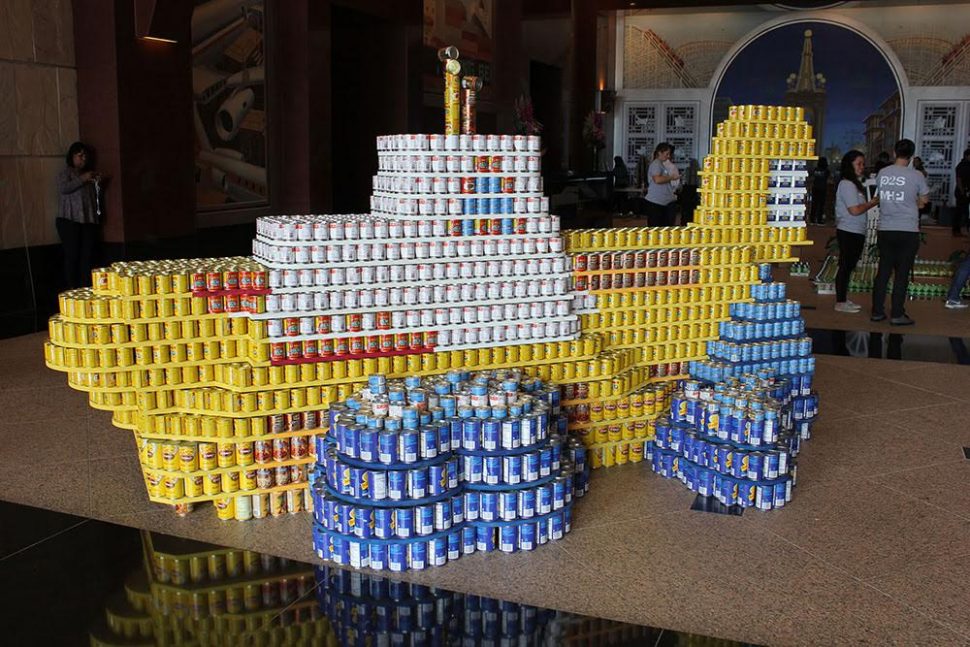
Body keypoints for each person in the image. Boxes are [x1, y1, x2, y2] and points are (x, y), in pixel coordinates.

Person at [870, 139, 929, 326]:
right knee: (902, 274)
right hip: (908, 230)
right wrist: (914, 203)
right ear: (911, 156)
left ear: (895, 153)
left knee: (883, 272)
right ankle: (897, 314)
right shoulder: (917, 175)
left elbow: (880, 196)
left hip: (886, 228)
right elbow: (924, 201)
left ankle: (877, 312)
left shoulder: (883, 173)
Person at [833, 151, 879, 313]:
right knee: (846, 265)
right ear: (849, 164)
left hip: (855, 231)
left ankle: (843, 298)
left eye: (862, 164)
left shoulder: (854, 184)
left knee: (849, 265)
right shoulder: (847, 185)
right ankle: (840, 301)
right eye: (858, 164)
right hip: (849, 230)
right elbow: (854, 210)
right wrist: (872, 203)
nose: (862, 167)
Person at [56, 141, 102, 289]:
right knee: (72, 256)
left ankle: (85, 288)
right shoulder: (66, 173)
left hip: (87, 221)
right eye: (80, 155)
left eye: (85, 156)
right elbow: (64, 188)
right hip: (70, 221)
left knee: (87, 257)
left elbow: (93, 198)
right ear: (72, 156)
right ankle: (72, 289)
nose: (83, 159)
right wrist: (83, 179)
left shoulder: (88, 174)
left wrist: (97, 183)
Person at [644, 142, 678, 226]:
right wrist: (671, 177)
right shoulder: (656, 164)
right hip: (656, 203)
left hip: (663, 202)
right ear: (660, 153)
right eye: (667, 154)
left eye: (669, 154)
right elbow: (657, 180)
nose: (668, 156)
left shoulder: (661, 164)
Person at [954, 148, 970, 237]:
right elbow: (959, 179)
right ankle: (956, 230)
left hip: (967, 191)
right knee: (959, 212)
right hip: (962, 192)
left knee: (966, 212)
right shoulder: (962, 166)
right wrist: (962, 191)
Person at [810, 156, 830, 225]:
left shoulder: (815, 169)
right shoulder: (826, 171)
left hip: (815, 188)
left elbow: (812, 176)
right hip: (823, 188)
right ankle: (819, 220)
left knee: (814, 204)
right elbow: (827, 178)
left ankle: (812, 219)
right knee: (821, 205)